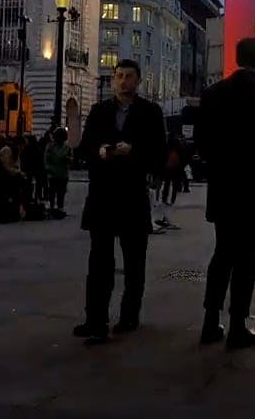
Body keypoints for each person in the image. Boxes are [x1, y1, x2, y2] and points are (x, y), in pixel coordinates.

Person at [196, 37, 255, 350]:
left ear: (236, 58)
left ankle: (210, 321)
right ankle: (237, 326)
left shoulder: (213, 94)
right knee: (247, 257)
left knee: (222, 254)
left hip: (224, 188)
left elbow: (202, 144)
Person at [73, 59, 167, 344]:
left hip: (133, 195)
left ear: (138, 81)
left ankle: (129, 315)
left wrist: (133, 151)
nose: (123, 81)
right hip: (103, 194)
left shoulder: (151, 112)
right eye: (119, 76)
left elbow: (158, 153)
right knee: (99, 261)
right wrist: (100, 151)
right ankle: (96, 319)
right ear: (113, 80)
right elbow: (85, 147)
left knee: (134, 261)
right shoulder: (99, 111)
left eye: (128, 77)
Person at [43, 127, 72, 214]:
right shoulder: (50, 147)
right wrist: (48, 168)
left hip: (62, 173)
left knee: (61, 192)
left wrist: (68, 159)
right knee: (53, 192)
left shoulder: (67, 148)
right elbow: (46, 160)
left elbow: (70, 161)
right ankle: (52, 207)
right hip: (54, 173)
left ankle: (60, 207)